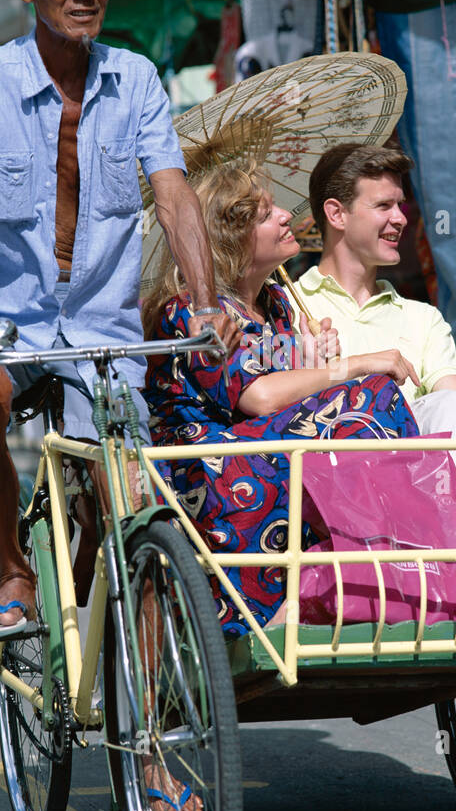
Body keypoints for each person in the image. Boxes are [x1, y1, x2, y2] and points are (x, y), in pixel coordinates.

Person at [0, 0, 242, 811]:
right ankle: (17, 574)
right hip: (7, 324)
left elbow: (172, 190)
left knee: (132, 512)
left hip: (103, 325)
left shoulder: (136, 77)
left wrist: (210, 299)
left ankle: (152, 746)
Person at [142, 163, 421, 636]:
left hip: (264, 447)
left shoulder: (276, 303)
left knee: (368, 406)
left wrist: (314, 356)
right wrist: (348, 366)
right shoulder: (193, 310)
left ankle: (374, 572)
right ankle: (356, 580)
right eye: (267, 214)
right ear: (232, 236)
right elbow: (260, 396)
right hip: (210, 467)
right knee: (369, 396)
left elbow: (290, 386)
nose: (287, 216)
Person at [297, 143, 456, 618]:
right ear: (337, 213)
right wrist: (324, 367)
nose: (401, 218)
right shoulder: (290, 306)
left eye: (401, 205)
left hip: (417, 482)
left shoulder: (421, 317)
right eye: (383, 206)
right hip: (332, 484)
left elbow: (452, 408)